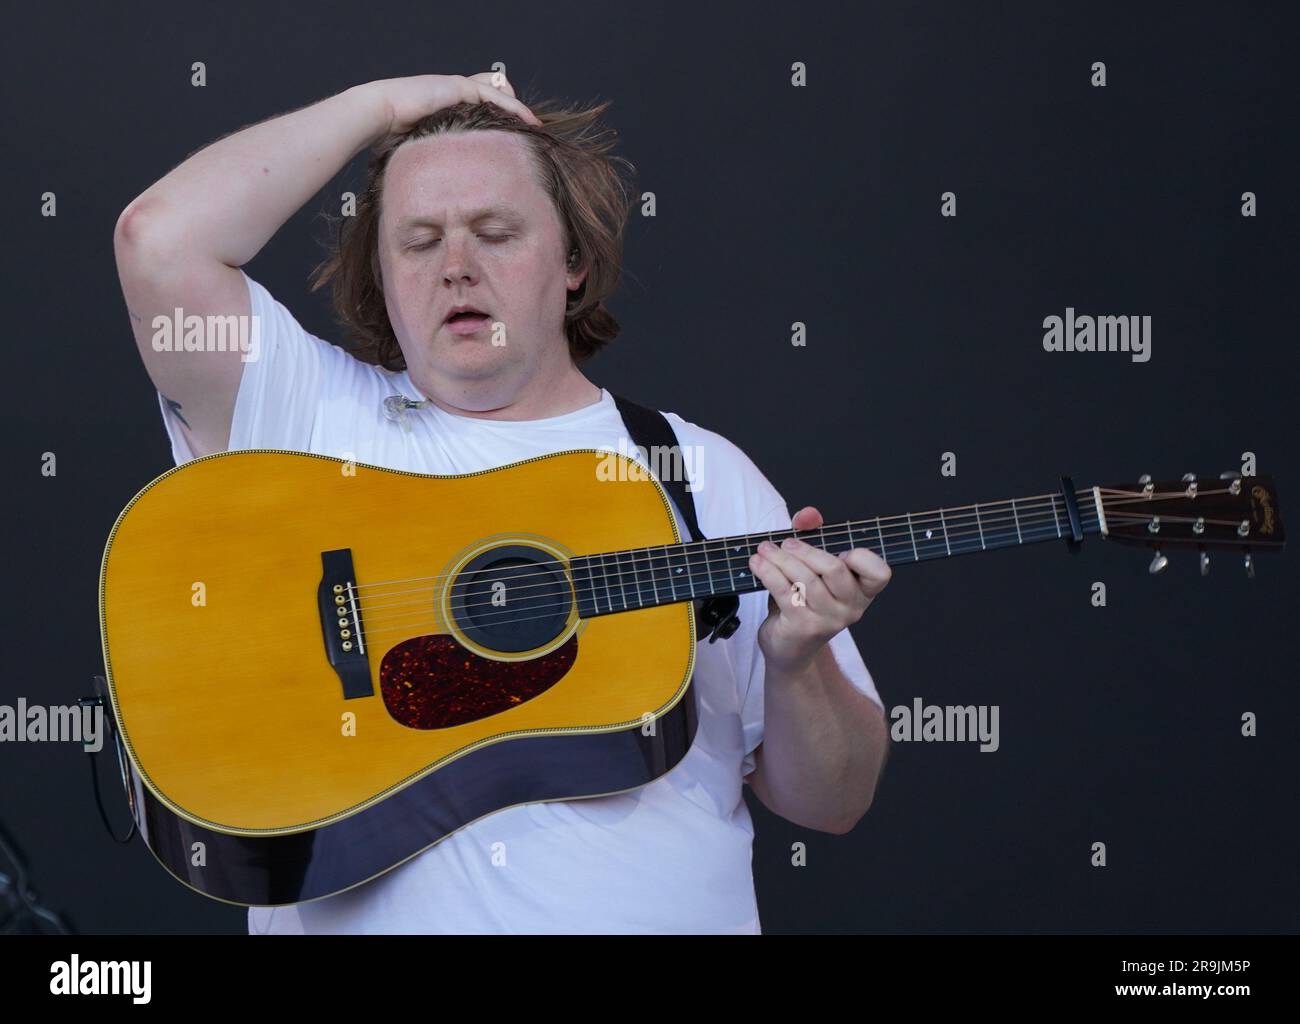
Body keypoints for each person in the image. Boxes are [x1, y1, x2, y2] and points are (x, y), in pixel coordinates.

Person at [113, 72, 891, 934]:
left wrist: (797, 661)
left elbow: (837, 801)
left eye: (495, 231)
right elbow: (159, 242)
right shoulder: (308, 416)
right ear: (381, 273)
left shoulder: (696, 472)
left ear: (573, 264)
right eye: (417, 240)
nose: (456, 266)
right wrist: (388, 108)